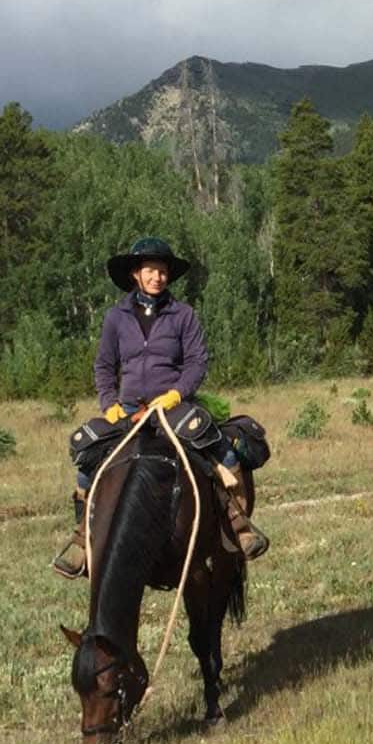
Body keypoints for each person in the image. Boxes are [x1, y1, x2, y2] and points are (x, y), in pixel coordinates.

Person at [51, 236, 267, 577]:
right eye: (151, 270)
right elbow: (104, 366)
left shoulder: (183, 315)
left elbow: (197, 362)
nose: (157, 277)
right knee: (85, 457)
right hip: (128, 411)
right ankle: (82, 540)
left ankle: (238, 526)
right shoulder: (115, 318)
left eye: (163, 271)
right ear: (136, 273)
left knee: (221, 451)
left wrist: (177, 394)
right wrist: (109, 404)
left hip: (173, 406)